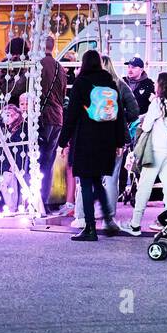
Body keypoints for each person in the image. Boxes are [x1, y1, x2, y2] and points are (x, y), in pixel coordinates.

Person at [58, 49, 127, 241]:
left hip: (86, 140)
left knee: (87, 184)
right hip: (106, 141)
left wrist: (63, 141)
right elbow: (119, 114)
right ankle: (108, 219)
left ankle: (90, 228)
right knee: (98, 182)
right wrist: (119, 141)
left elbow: (71, 115)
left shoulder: (81, 83)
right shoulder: (111, 83)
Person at [123, 72, 167, 236]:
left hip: (156, 151)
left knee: (144, 187)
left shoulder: (157, 103)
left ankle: (135, 224)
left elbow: (146, 127)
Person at [36, 35, 67, 215]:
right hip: (57, 118)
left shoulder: (38, 65)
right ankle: (45, 201)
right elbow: (62, 95)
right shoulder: (60, 68)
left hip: (43, 118)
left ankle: (36, 200)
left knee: (36, 161)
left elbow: (24, 87)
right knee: (47, 162)